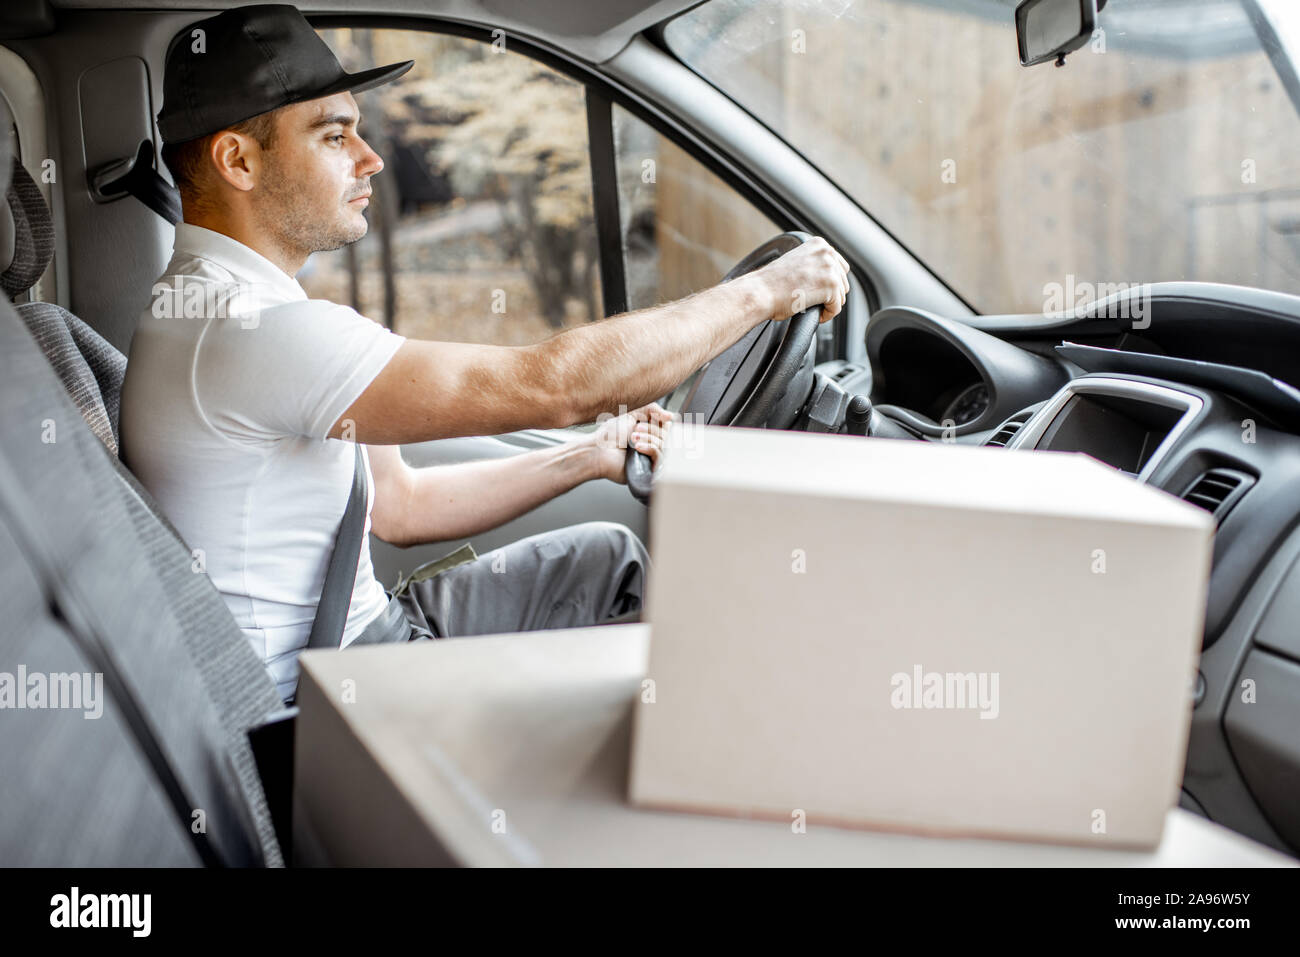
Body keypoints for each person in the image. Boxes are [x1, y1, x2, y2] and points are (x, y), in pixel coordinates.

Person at [120, 4, 851, 702]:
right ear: (237, 161)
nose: (373, 159)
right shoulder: (247, 329)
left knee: (609, 558)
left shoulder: (231, 309)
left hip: (366, 638)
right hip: (337, 696)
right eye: (335, 136)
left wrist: (592, 454)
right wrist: (768, 292)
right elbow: (557, 385)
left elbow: (400, 506)